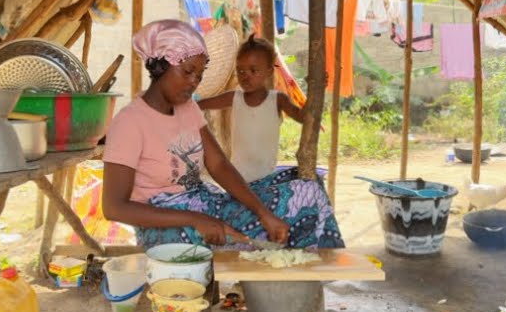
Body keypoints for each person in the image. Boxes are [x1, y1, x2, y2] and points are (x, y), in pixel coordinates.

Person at [101, 19, 344, 249]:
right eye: (187, 71)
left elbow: (218, 165)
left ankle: (302, 277)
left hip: (206, 205)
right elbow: (114, 207)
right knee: (226, 234)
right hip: (166, 227)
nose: (194, 82)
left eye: (199, 74)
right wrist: (196, 219)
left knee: (307, 190)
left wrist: (263, 213)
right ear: (162, 66)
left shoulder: (188, 109)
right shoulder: (130, 123)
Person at [197, 35, 305, 186]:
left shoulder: (277, 100)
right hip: (238, 181)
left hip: (267, 181)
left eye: (253, 70)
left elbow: (302, 117)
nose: (246, 77)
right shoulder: (234, 98)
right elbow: (200, 105)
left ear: (269, 71)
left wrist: (315, 91)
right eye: (241, 71)